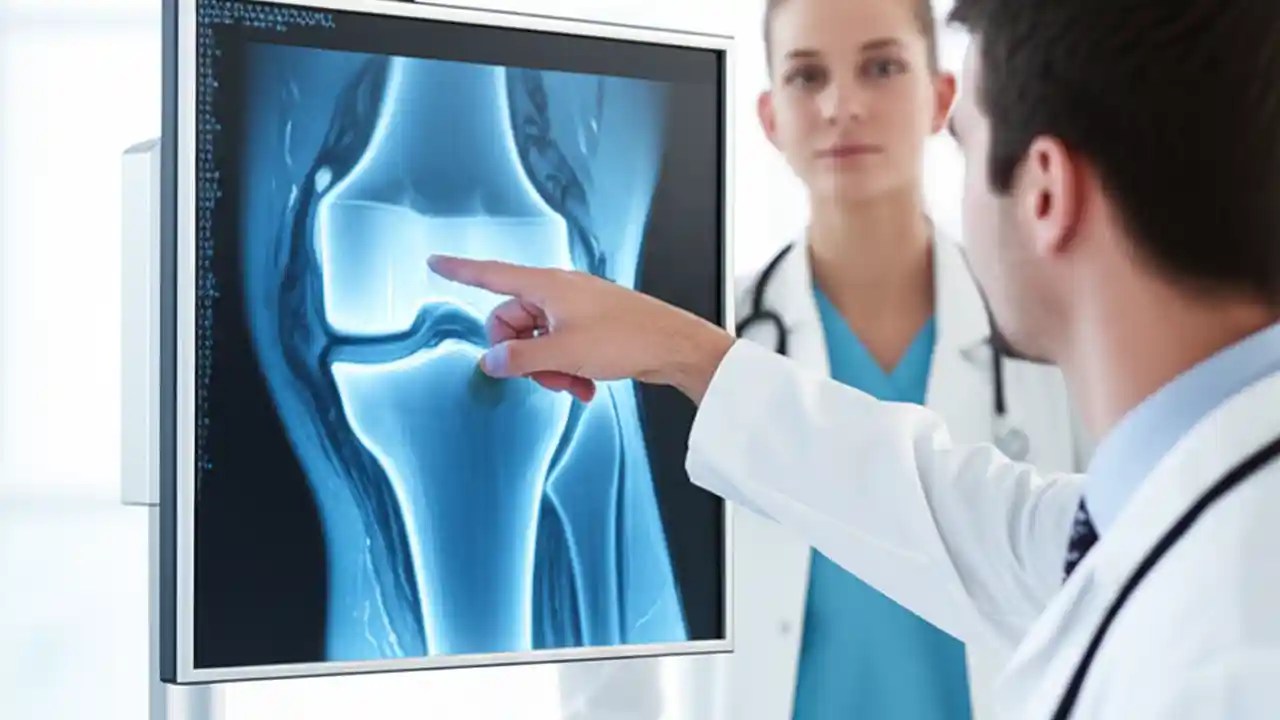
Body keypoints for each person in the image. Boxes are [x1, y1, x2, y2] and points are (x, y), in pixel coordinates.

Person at [430, 0, 1280, 716]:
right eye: (807, 75)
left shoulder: (1222, 657)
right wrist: (686, 351)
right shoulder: (1179, 514)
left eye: (964, 137)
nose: (843, 106)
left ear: (1045, 193)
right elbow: (979, 525)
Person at [556, 0, 1088, 717]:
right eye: (808, 77)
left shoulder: (1051, 342)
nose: (843, 105)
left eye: (882, 67)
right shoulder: (686, 339)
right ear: (770, 117)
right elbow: (617, 617)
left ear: (942, 98)